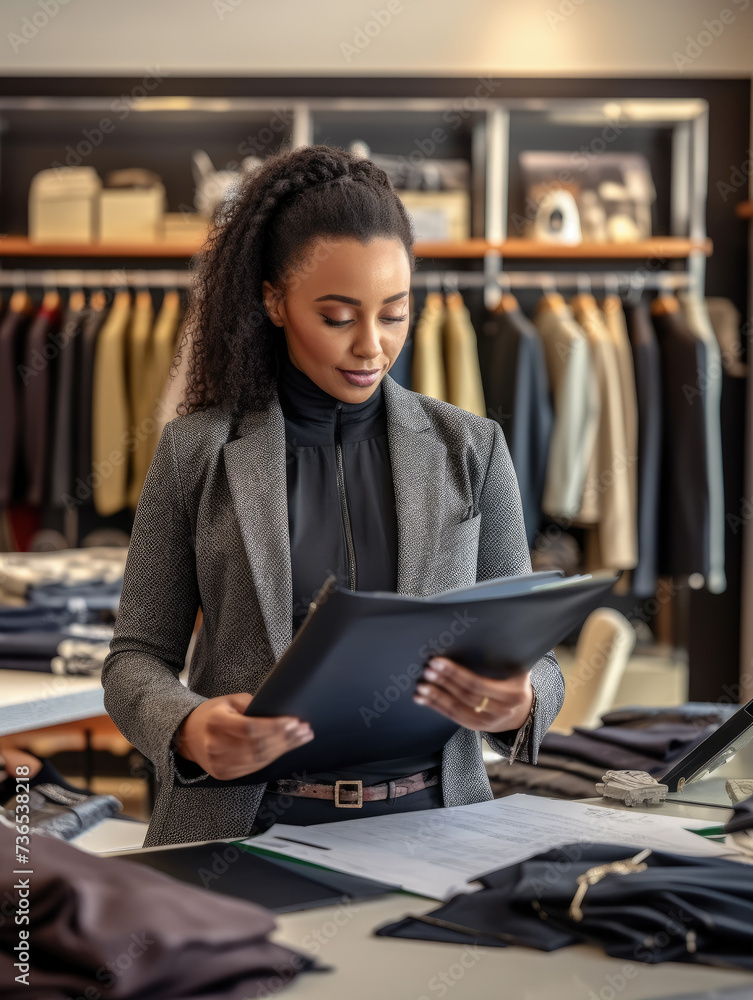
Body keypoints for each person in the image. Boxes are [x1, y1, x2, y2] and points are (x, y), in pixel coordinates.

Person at [101, 144, 564, 847]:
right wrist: (188, 727)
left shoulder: (471, 448)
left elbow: (531, 658)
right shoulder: (195, 451)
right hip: (242, 828)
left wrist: (520, 700)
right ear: (273, 300)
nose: (371, 347)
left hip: (435, 826)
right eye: (339, 316)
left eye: (394, 313)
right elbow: (134, 656)